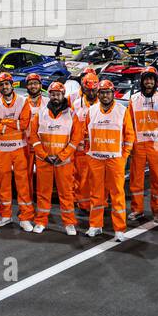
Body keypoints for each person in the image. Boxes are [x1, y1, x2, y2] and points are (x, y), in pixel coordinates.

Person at [82, 79, 134, 240]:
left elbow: (129, 136)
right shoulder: (92, 111)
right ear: (98, 94)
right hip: (95, 159)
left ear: (113, 94)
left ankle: (119, 229)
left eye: (108, 92)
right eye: (102, 93)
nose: (105, 95)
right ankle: (95, 225)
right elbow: (85, 135)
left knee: (117, 194)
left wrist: (123, 155)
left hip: (115, 160)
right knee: (96, 194)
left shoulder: (122, 110)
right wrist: (89, 154)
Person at [27, 81, 82, 235]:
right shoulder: (41, 114)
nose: (55, 97)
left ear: (63, 95)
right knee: (43, 193)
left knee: (66, 193)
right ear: (49, 95)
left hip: (63, 162)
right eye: (52, 94)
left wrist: (62, 156)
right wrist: (43, 155)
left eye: (58, 94)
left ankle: (69, 223)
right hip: (45, 161)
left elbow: (76, 139)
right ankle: (40, 221)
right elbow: (33, 135)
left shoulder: (71, 115)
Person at [127, 66, 158, 219]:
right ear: (142, 81)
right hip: (138, 145)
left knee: (157, 179)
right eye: (146, 79)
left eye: (152, 79)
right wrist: (130, 144)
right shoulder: (134, 99)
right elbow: (129, 124)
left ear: (155, 82)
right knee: (136, 180)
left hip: (157, 145)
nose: (149, 82)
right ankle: (137, 210)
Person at [0, 72, 33, 230]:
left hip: (20, 148)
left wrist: (5, 122)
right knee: (3, 185)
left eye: (7, 84)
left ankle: (25, 217)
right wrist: (14, 123)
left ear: (11, 84)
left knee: (23, 184)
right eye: (1, 85)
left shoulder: (23, 102)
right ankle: (6, 215)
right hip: (2, 151)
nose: (4, 87)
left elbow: (25, 123)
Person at [71, 73, 101, 220]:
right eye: (88, 89)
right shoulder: (75, 104)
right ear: (83, 87)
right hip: (80, 148)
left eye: (93, 90)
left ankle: (98, 203)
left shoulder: (103, 103)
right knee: (81, 178)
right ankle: (83, 205)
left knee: (98, 179)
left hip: (99, 149)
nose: (91, 92)